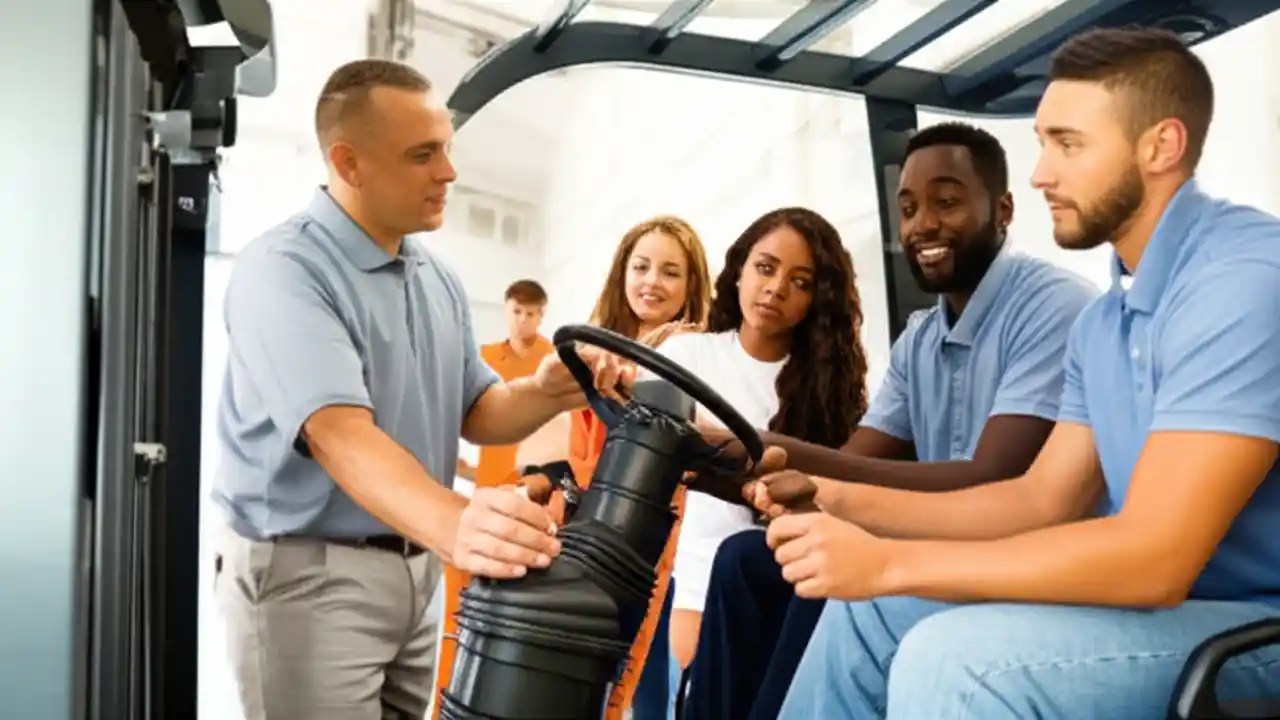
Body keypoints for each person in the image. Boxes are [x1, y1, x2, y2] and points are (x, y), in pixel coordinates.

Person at [759, 27, 1280, 719]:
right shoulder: (1105, 322)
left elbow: (1156, 557)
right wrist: (837, 497)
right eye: (1042, 144)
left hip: (1254, 626)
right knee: (870, 610)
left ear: (1161, 147)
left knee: (954, 660)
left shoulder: (1241, 280)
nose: (1039, 175)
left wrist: (889, 561)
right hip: (1177, 610)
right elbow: (1038, 501)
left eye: (1069, 145)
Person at [210, 59, 626, 720]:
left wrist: (548, 390)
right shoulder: (284, 270)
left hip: (417, 567)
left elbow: (478, 410)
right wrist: (460, 524)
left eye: (447, 149)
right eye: (423, 154)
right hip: (312, 577)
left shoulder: (437, 278)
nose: (449, 172)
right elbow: (338, 434)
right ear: (349, 163)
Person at [679, 123, 1099, 720]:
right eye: (907, 209)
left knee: (831, 575)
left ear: (1003, 210)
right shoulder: (919, 340)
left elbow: (995, 476)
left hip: (1014, 566)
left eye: (945, 202)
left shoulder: (1053, 306)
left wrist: (772, 451)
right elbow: (855, 462)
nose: (922, 224)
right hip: (935, 551)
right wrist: (732, 463)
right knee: (745, 559)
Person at [518, 215, 712, 720]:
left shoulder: (697, 353)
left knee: (641, 686)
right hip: (587, 535)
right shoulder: (594, 350)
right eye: (641, 267)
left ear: (692, 284)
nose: (652, 282)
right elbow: (566, 448)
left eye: (671, 272)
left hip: (659, 546)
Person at [660, 207, 870, 672]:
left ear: (817, 299)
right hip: (698, 587)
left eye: (801, 281)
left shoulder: (831, 392)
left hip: (793, 593)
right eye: (765, 267)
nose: (776, 288)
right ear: (739, 271)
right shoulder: (685, 356)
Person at [436, 278, 555, 712]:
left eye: (531, 313)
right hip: (482, 505)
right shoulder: (485, 358)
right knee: (457, 616)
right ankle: (445, 707)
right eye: (516, 311)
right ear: (506, 311)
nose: (522, 320)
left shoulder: (554, 362)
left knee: (511, 623)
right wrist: (460, 469)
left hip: (533, 506)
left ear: (542, 314)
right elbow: (457, 414)